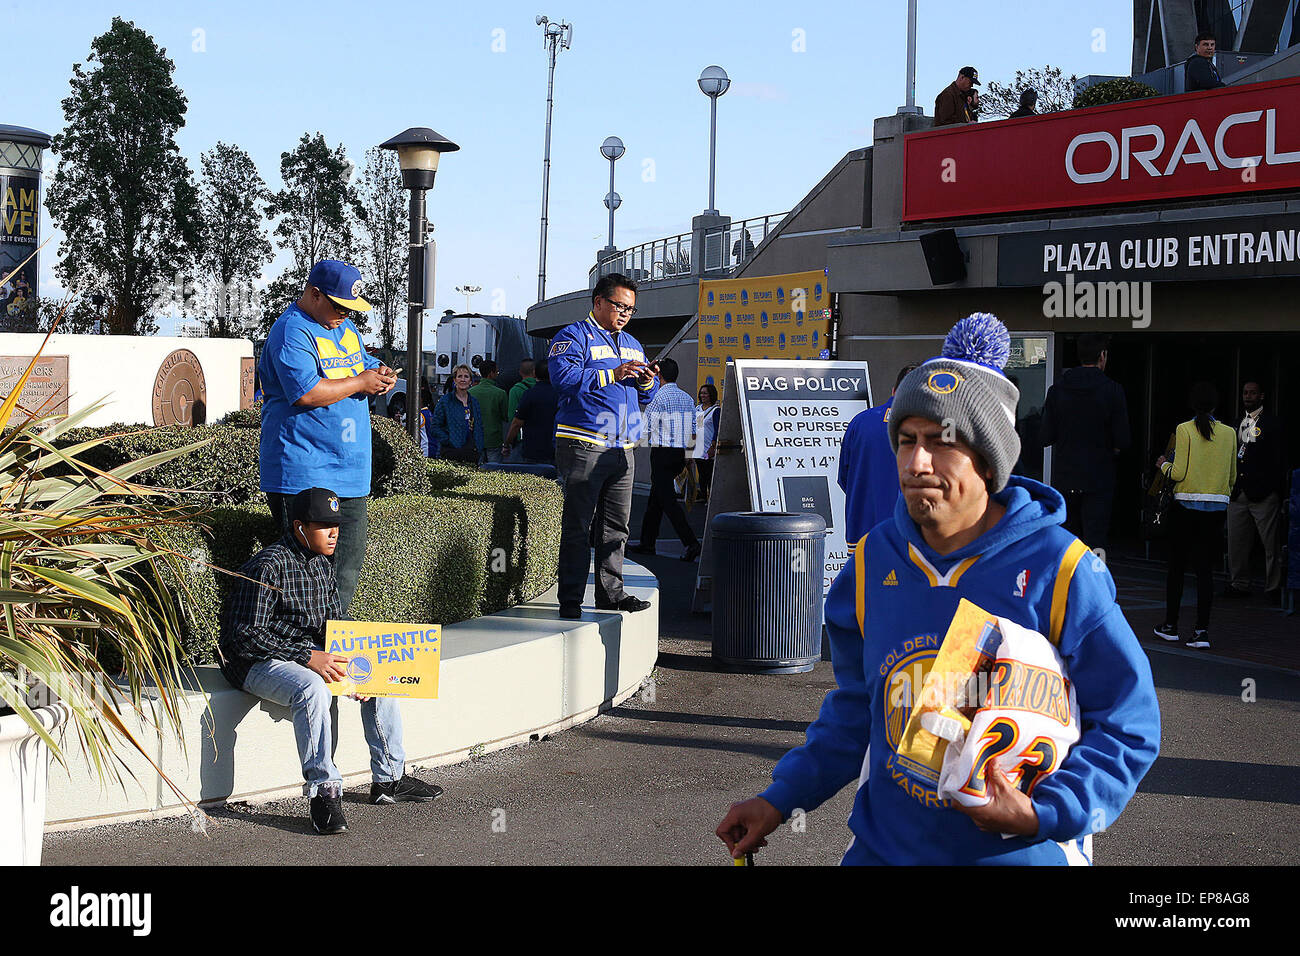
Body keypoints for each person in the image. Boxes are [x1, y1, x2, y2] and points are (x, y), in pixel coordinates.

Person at [715, 313, 1160, 865]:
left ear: (988, 460)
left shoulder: (1061, 568)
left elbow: (1128, 721)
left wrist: (1047, 811)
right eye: (906, 441)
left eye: (941, 443)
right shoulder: (869, 563)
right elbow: (857, 709)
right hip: (883, 853)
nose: (917, 462)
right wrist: (779, 799)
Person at [218, 487, 442, 835]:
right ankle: (324, 791)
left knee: (380, 673)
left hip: (306, 656)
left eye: (335, 525)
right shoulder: (268, 567)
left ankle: (389, 781)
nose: (334, 532)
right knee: (311, 688)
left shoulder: (322, 564)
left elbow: (332, 625)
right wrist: (308, 657)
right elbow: (244, 637)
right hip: (254, 662)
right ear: (299, 527)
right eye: (323, 525)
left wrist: (359, 667)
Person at [258, 259, 397, 616]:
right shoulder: (292, 331)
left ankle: (333, 646)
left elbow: (363, 363)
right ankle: (302, 653)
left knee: (345, 573)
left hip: (350, 473)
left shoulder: (346, 328)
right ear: (314, 294)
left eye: (351, 309)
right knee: (302, 575)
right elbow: (305, 392)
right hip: (304, 471)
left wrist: (379, 374)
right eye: (338, 306)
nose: (344, 315)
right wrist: (362, 382)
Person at [549, 272, 659, 619]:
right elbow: (563, 380)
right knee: (579, 527)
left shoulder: (632, 343)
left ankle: (611, 595)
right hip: (583, 443)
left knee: (617, 529)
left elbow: (647, 395)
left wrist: (647, 382)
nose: (625, 313)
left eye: (631, 309)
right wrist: (614, 373)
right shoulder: (572, 336)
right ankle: (570, 600)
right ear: (598, 302)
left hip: (622, 447)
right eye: (619, 306)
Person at [1154, 382, 1237, 650]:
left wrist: (1162, 465)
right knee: (1205, 572)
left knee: (1177, 568)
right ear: (1215, 405)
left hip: (1185, 506)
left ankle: (1170, 625)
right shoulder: (1229, 433)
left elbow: (1177, 473)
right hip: (1216, 507)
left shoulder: (1184, 429)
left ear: (1193, 404)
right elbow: (1233, 477)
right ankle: (1201, 631)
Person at [1039, 333, 1130, 554]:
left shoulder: (1057, 390)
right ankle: (1093, 586)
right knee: (1095, 542)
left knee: (1066, 540)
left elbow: (1044, 436)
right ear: (1103, 356)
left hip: (1066, 476)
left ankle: (1064, 585)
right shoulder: (1113, 390)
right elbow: (1123, 441)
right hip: (1099, 478)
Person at [838, 363, 918, 546]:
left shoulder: (860, 422)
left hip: (861, 535)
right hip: (906, 538)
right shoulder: (926, 427)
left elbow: (844, 478)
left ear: (893, 391)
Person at [632, 358, 701, 562]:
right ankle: (647, 543)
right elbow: (693, 430)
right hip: (680, 454)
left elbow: (646, 426)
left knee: (668, 501)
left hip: (662, 453)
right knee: (656, 499)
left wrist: (632, 445)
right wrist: (689, 458)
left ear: (658, 374)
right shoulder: (688, 398)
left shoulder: (657, 396)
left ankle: (691, 543)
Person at [1225, 381, 1287, 601]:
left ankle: (1273, 586)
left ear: (1262, 396)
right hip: (1238, 492)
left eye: (1252, 393)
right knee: (1236, 543)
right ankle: (1239, 583)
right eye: (1245, 393)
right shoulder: (1236, 422)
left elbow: (1279, 459)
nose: (1247, 396)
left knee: (1271, 544)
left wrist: (1275, 490)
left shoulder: (1272, 423)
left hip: (1263, 492)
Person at [503, 360, 558, 465]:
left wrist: (507, 443)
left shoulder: (529, 394)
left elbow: (516, 423)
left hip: (532, 449)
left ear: (535, 374)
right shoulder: (560, 394)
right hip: (554, 448)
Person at [431, 364, 483, 465]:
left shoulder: (474, 402)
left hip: (472, 452)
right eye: (459, 376)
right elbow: (435, 427)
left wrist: (479, 445)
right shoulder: (445, 401)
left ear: (470, 381)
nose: (463, 379)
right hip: (451, 452)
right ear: (454, 380)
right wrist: (449, 440)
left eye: (466, 376)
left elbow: (479, 426)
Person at [470, 360, 509, 464]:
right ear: (491, 374)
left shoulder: (470, 392)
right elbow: (505, 416)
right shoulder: (500, 393)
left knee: (475, 471)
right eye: (497, 372)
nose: (497, 374)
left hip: (475, 438)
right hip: (494, 439)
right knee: (494, 471)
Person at [692, 383, 721, 501]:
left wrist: (713, 446)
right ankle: (703, 495)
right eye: (701, 393)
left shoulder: (715, 410)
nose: (702, 395)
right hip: (698, 447)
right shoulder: (697, 409)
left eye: (705, 393)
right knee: (702, 473)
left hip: (709, 447)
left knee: (709, 474)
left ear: (711, 395)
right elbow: (695, 427)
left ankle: (711, 498)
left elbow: (717, 428)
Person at [506, 359, 538, 461]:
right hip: (542, 438)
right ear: (534, 372)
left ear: (520, 372)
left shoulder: (515, 390)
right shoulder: (544, 390)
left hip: (522, 439)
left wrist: (508, 442)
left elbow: (512, 417)